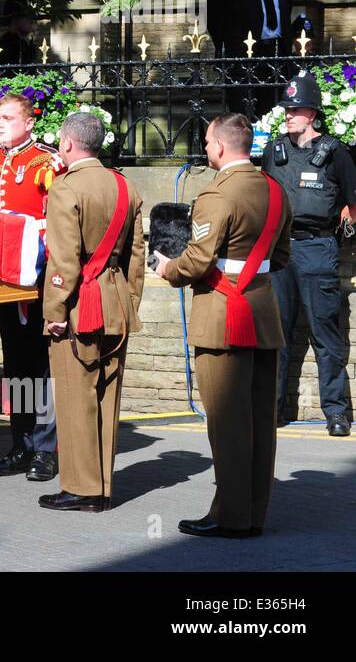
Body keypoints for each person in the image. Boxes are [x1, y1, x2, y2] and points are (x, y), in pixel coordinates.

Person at [155, 113, 291, 538]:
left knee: (228, 422)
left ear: (219, 146)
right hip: (262, 311)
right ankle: (253, 513)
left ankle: (231, 517)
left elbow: (196, 260)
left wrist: (168, 269)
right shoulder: (275, 189)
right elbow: (283, 255)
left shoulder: (217, 194)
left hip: (223, 315)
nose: (207, 148)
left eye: (209, 141)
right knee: (259, 421)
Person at [40, 112, 146, 513]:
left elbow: (64, 261)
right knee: (107, 396)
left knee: (74, 396)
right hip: (115, 299)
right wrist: (129, 301)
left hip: (80, 304)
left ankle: (81, 488)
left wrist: (55, 309)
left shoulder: (65, 188)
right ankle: (101, 485)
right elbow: (136, 256)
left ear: (67, 144)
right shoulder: (125, 185)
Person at [0, 93, 60, 481]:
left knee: (43, 364)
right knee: (17, 364)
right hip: (0, 280)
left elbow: (58, 220)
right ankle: (21, 442)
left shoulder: (47, 161)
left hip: (38, 277)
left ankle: (46, 447)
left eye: (7, 117)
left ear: (29, 123)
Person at [261, 71, 354, 436]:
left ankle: (336, 411)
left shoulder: (335, 153)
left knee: (325, 336)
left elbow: (353, 200)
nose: (289, 115)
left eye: (296, 109)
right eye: (287, 109)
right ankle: (274, 408)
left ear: (313, 114)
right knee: (276, 334)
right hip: (279, 250)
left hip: (318, 247)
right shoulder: (273, 151)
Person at [0, 0, 44, 67]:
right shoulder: (3, 45)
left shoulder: (26, 43)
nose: (30, 21)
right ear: (14, 19)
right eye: (25, 17)